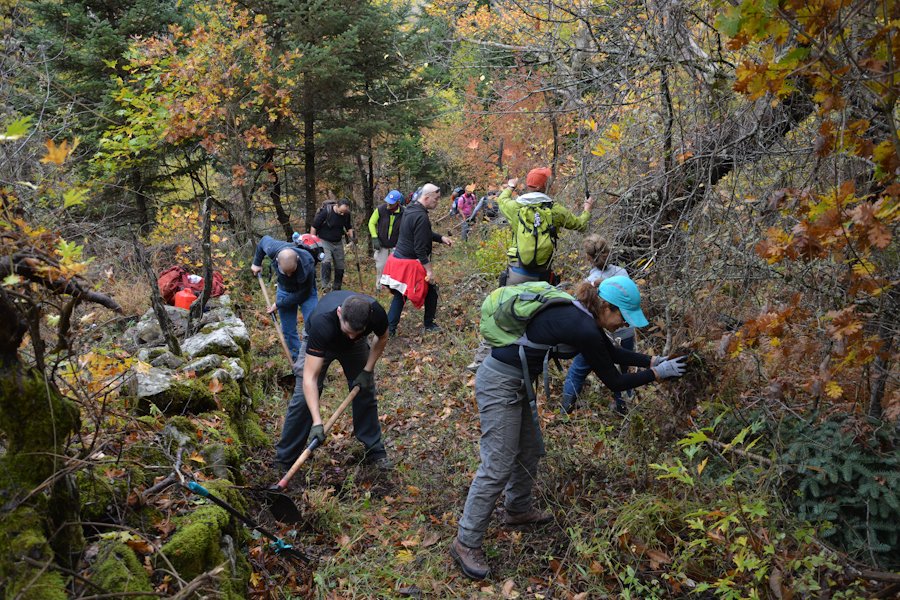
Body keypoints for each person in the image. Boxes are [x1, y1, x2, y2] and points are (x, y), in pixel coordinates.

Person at [450, 276, 688, 580]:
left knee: (529, 449)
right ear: (607, 306)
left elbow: (611, 353)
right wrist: (658, 373)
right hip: (499, 383)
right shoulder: (582, 326)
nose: (624, 324)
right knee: (497, 464)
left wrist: (653, 360)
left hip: (516, 381)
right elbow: (615, 381)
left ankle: (517, 509)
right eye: (623, 317)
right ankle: (466, 541)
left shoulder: (582, 315)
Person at [274, 291, 393, 472]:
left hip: (356, 349)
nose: (351, 337)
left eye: (357, 332)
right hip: (322, 342)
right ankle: (284, 459)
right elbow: (310, 378)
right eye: (348, 331)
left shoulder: (375, 313)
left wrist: (367, 370)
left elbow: (382, 337)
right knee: (302, 398)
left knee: (365, 390)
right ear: (339, 313)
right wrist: (317, 422)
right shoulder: (322, 323)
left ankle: (375, 450)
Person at [561, 235, 634, 415]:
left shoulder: (589, 283)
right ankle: (624, 407)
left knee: (578, 370)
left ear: (588, 257)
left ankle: (565, 409)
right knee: (624, 370)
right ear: (608, 252)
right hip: (626, 332)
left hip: (600, 337)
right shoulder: (622, 273)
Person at [380, 183, 454, 335]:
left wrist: (440, 238)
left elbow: (422, 232)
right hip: (408, 263)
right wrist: (429, 271)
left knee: (401, 295)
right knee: (430, 291)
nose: (437, 201)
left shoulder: (411, 209)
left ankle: (389, 330)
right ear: (426, 198)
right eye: (436, 199)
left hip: (398, 259)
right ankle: (428, 324)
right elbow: (420, 249)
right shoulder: (420, 216)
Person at [498, 167, 594, 284]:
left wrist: (511, 186)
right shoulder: (555, 210)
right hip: (542, 274)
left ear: (528, 185)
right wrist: (587, 209)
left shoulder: (514, 207)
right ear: (542, 187)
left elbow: (502, 200)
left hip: (516, 272)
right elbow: (581, 225)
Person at [251, 235, 318, 362]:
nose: (289, 275)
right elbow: (263, 241)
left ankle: (313, 359)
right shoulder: (273, 249)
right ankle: (298, 360)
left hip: (306, 292)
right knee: (288, 330)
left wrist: (279, 304)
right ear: (277, 260)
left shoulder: (308, 262)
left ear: (297, 259)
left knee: (313, 327)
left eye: (292, 271)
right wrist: (256, 263)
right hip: (285, 290)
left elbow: (302, 295)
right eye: (285, 272)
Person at [310, 198, 355, 292]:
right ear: (337, 206)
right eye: (341, 212)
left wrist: (352, 237)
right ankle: (325, 286)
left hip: (338, 242)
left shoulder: (346, 214)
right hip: (324, 241)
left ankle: (337, 287)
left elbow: (348, 227)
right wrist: (313, 242)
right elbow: (314, 227)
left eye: (344, 212)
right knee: (326, 261)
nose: (342, 214)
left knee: (340, 265)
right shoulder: (326, 212)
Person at [368, 190, 405, 293]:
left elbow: (407, 228)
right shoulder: (380, 209)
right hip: (382, 244)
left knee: (396, 267)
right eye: (388, 201)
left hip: (396, 245)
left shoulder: (404, 212)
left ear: (398, 202)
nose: (388, 204)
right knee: (380, 266)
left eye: (391, 203)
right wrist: (374, 237)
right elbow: (371, 223)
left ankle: (394, 287)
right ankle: (379, 286)